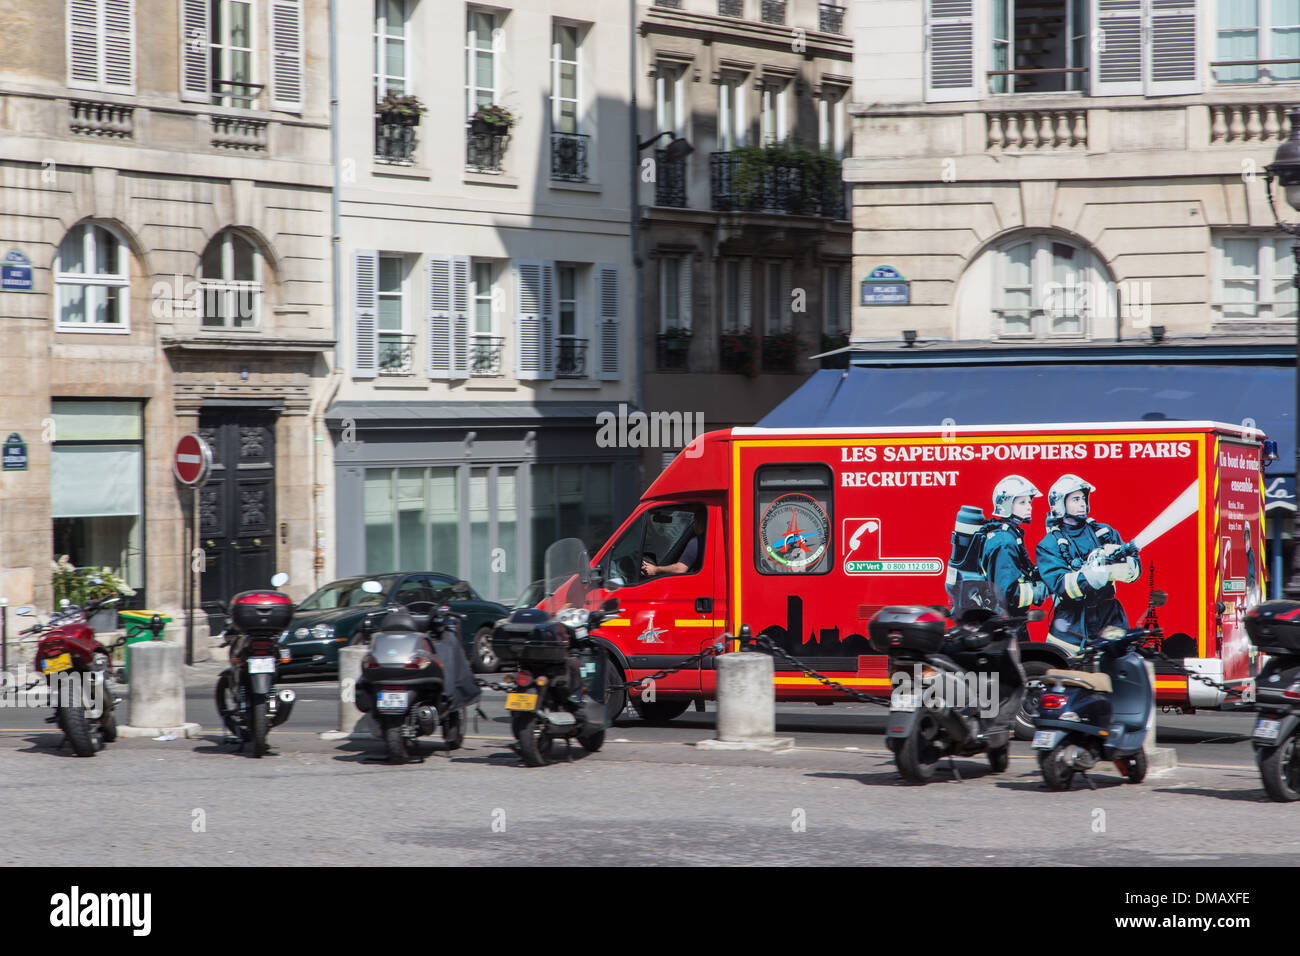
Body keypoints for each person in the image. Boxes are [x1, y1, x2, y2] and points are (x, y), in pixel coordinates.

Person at [1036, 474, 1140, 653]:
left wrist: (1124, 566)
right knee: (1065, 667)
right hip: (1070, 625)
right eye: (1076, 499)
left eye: (1083, 498)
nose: (1082, 503)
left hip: (1109, 617)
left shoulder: (1105, 532)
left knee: (1122, 664)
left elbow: (1135, 571)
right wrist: (1099, 573)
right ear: (1060, 504)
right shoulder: (1049, 544)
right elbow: (1061, 585)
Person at [980, 475, 1049, 619]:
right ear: (1006, 505)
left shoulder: (1008, 534)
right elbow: (1007, 594)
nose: (1029, 506)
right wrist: (1044, 588)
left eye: (1029, 502)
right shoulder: (1005, 542)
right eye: (1022, 502)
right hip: (1006, 621)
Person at [642, 507, 705, 577]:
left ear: (699, 522)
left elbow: (680, 569)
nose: (694, 525)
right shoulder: (707, 542)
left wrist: (655, 570)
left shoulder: (696, 542)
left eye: (695, 520)